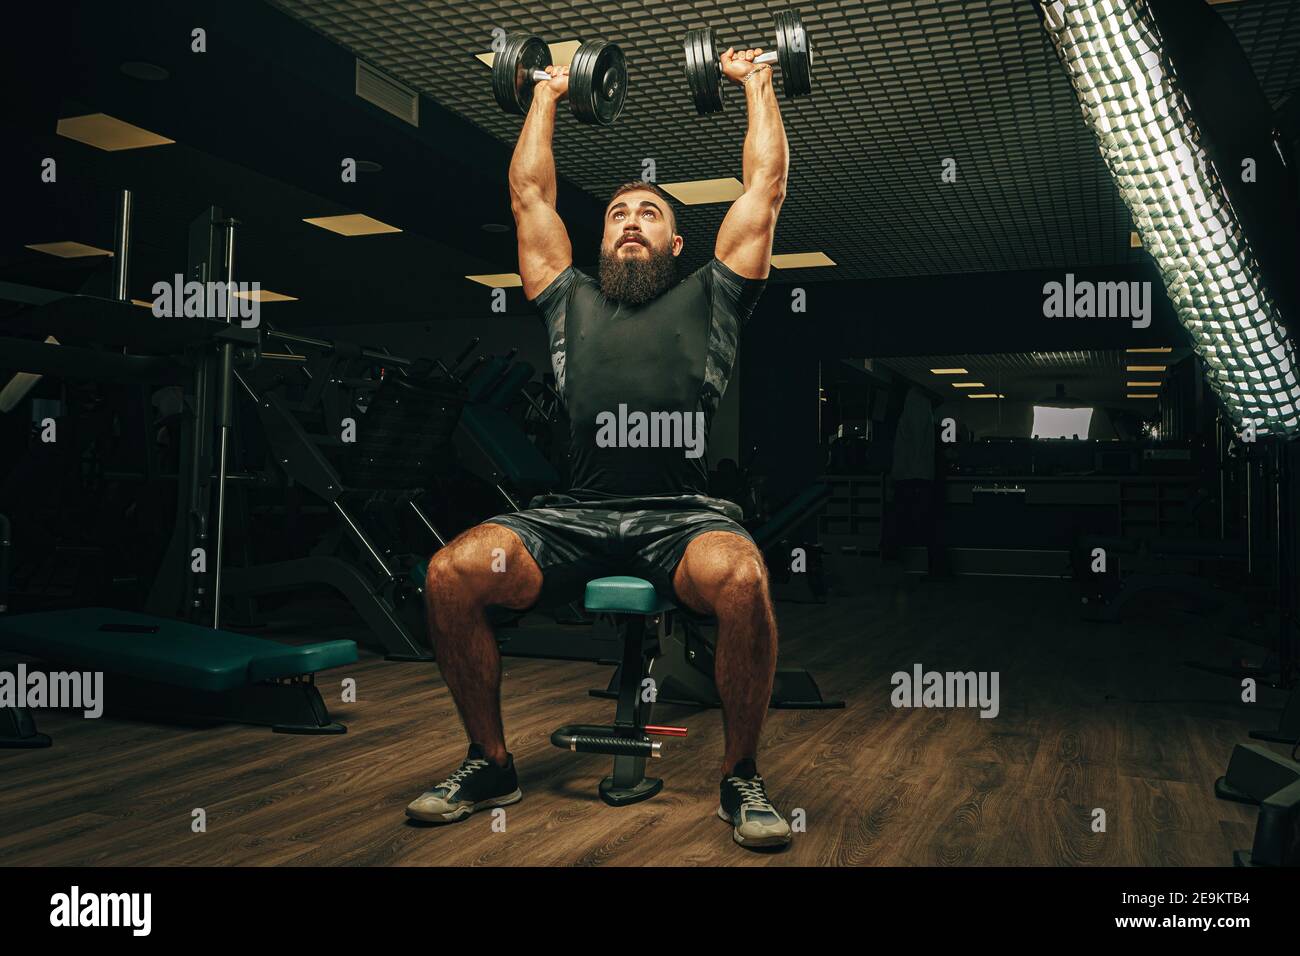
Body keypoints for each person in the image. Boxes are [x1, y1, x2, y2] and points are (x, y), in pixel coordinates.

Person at [406, 45, 792, 849]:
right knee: (450, 574)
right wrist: (545, 90)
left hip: (681, 518)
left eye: (649, 214)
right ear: (599, 239)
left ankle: (740, 776)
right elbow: (529, 194)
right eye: (618, 213)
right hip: (576, 515)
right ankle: (490, 760)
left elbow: (765, 189)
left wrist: (758, 80)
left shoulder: (714, 297)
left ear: (679, 244)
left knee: (745, 578)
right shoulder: (566, 298)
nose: (631, 222)